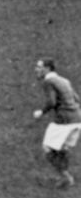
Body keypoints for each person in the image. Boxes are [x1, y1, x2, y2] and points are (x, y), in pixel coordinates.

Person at [32, 59, 81, 188]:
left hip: (64, 120)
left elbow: (52, 102)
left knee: (47, 148)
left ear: (47, 68)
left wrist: (41, 112)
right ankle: (65, 177)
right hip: (77, 119)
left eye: (39, 67)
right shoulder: (64, 80)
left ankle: (66, 177)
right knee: (62, 148)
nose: (36, 69)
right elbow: (77, 99)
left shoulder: (48, 82)